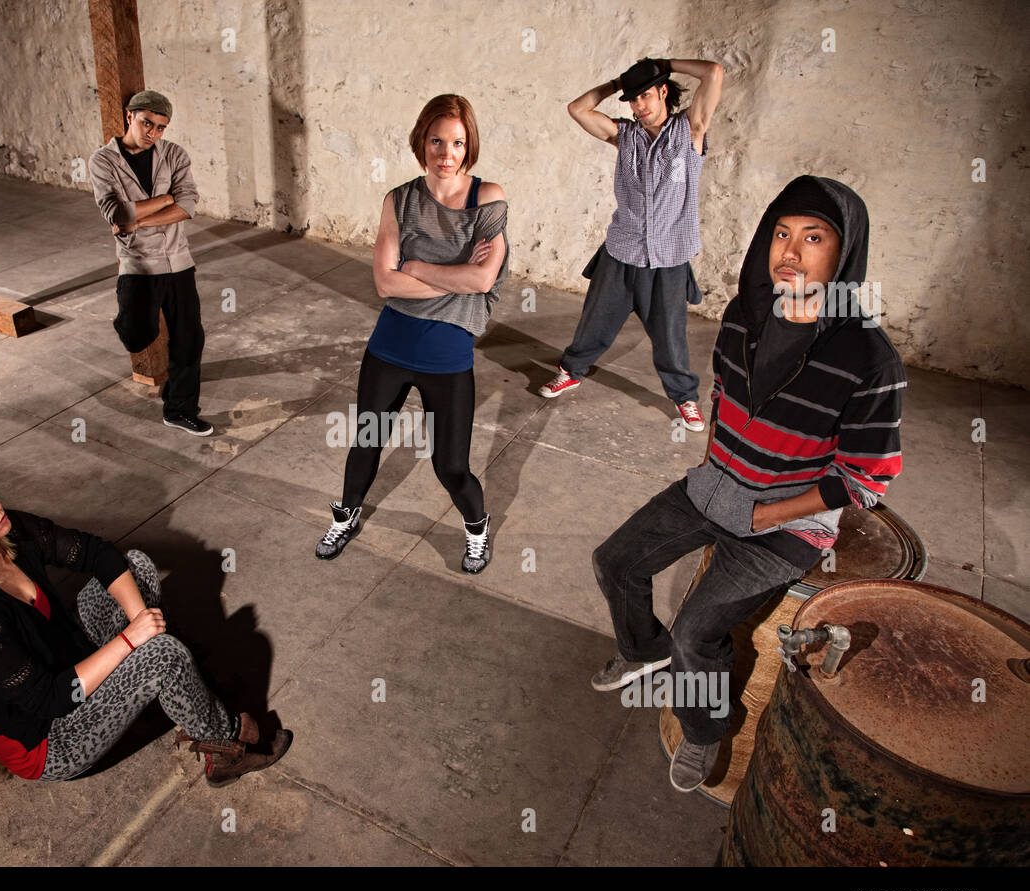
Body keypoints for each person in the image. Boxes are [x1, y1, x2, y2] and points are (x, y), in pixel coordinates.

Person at [588, 176, 904, 792]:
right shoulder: (745, 315)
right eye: (781, 234)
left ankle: (703, 731)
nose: (790, 251)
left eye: (814, 238)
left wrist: (767, 515)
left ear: (844, 255)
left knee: (696, 632)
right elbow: (724, 395)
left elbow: (867, 480)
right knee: (615, 561)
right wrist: (714, 473)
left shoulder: (869, 358)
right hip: (714, 489)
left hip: (785, 527)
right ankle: (642, 649)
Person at [0, 468, 290, 785]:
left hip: (70, 656)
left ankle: (174, 687)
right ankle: (224, 745)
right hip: (49, 740)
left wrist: (140, 622)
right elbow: (48, 700)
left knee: (135, 567)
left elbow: (96, 553)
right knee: (164, 656)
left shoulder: (9, 531)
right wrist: (131, 641)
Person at [314, 94, 508, 573]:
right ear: (421, 142)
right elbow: (384, 282)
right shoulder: (398, 200)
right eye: (437, 140)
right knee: (366, 443)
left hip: (448, 357)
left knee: (451, 467)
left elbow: (482, 281)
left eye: (458, 143)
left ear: (470, 146)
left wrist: (416, 266)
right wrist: (453, 272)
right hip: (390, 348)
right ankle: (347, 515)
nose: (447, 153)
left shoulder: (489, 196)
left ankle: (477, 528)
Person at [540, 57, 724, 433]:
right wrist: (618, 82)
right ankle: (570, 371)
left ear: (664, 91)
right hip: (622, 249)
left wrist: (665, 63)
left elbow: (714, 73)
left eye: (645, 95)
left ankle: (684, 397)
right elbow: (577, 109)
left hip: (669, 256)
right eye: (632, 99)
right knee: (595, 321)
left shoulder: (690, 130)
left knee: (670, 334)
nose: (639, 105)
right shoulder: (626, 135)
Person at [90, 90, 212, 437]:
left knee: (190, 339)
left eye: (160, 127)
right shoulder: (103, 161)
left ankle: (180, 409)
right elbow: (117, 212)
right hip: (138, 263)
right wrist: (166, 199)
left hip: (178, 262)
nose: (153, 133)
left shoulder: (174, 154)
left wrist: (141, 220)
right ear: (129, 116)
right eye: (147, 123)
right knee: (136, 334)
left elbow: (188, 204)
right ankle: (127, 318)